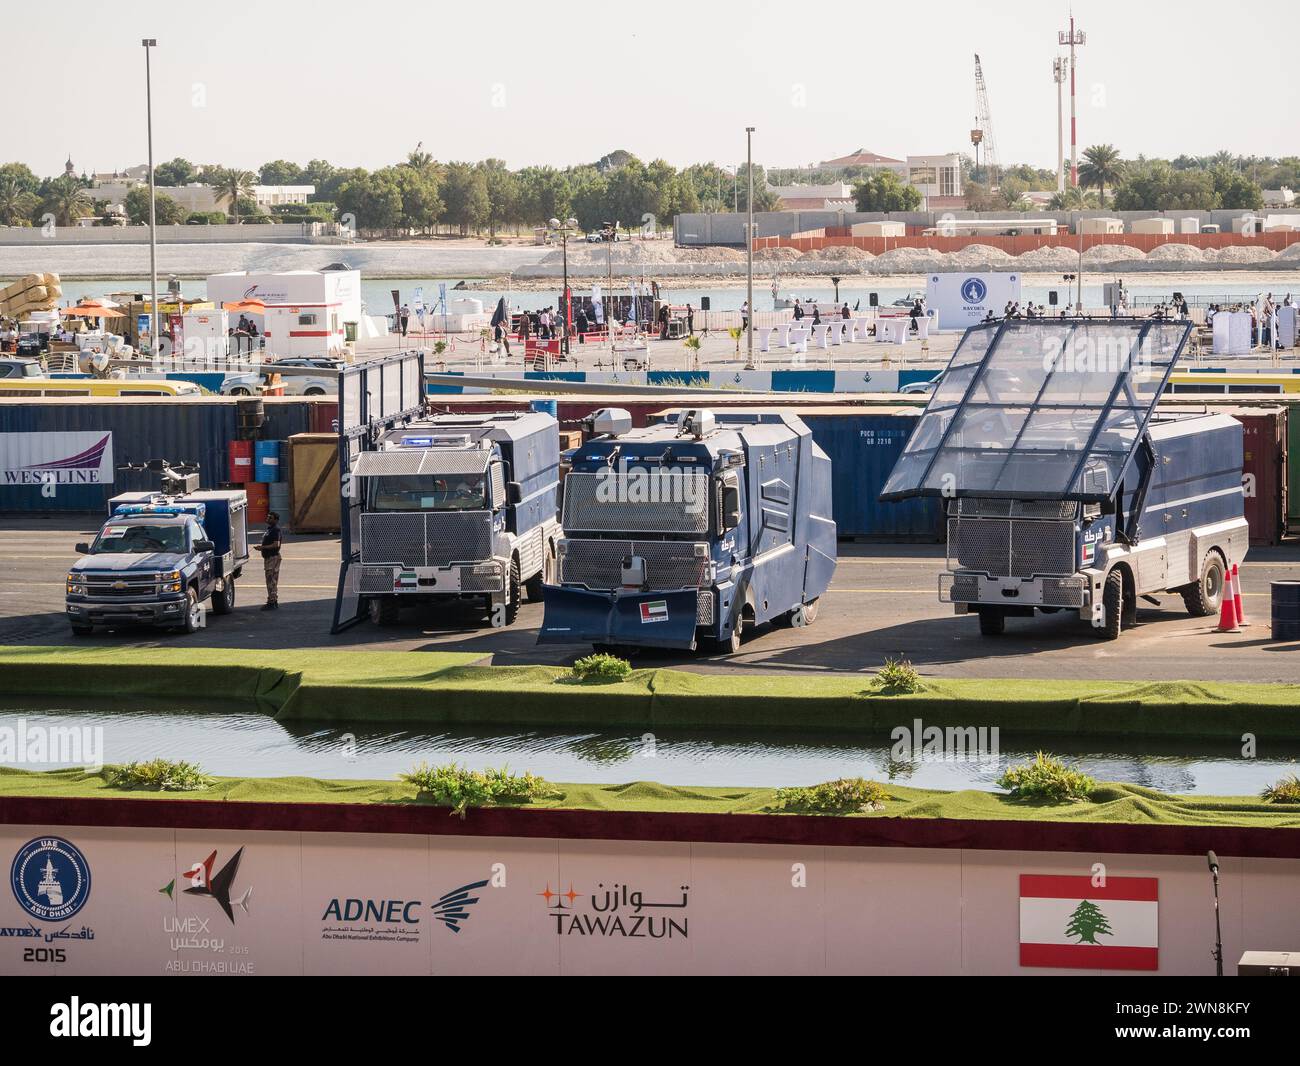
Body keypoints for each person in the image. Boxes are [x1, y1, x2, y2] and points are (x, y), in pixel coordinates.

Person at [253, 511, 282, 610]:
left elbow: (276, 544)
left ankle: (272, 602)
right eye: (268, 517)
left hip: (273, 558)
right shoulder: (270, 529)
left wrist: (263, 547)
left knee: (271, 580)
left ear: (276, 520)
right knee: (270, 580)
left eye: (270, 518)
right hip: (268, 558)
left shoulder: (275, 530)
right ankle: (272, 600)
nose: (268, 519)